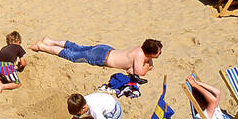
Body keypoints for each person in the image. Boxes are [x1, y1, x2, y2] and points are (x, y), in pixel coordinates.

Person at [32, 37, 162, 79]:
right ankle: (43, 47)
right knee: (72, 56)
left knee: (78, 48)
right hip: (102, 57)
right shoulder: (140, 55)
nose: (159, 54)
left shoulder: (140, 49)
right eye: (158, 53)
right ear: (150, 53)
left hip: (106, 50)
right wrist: (148, 66)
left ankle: (50, 41)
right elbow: (139, 72)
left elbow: (132, 69)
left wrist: (147, 62)